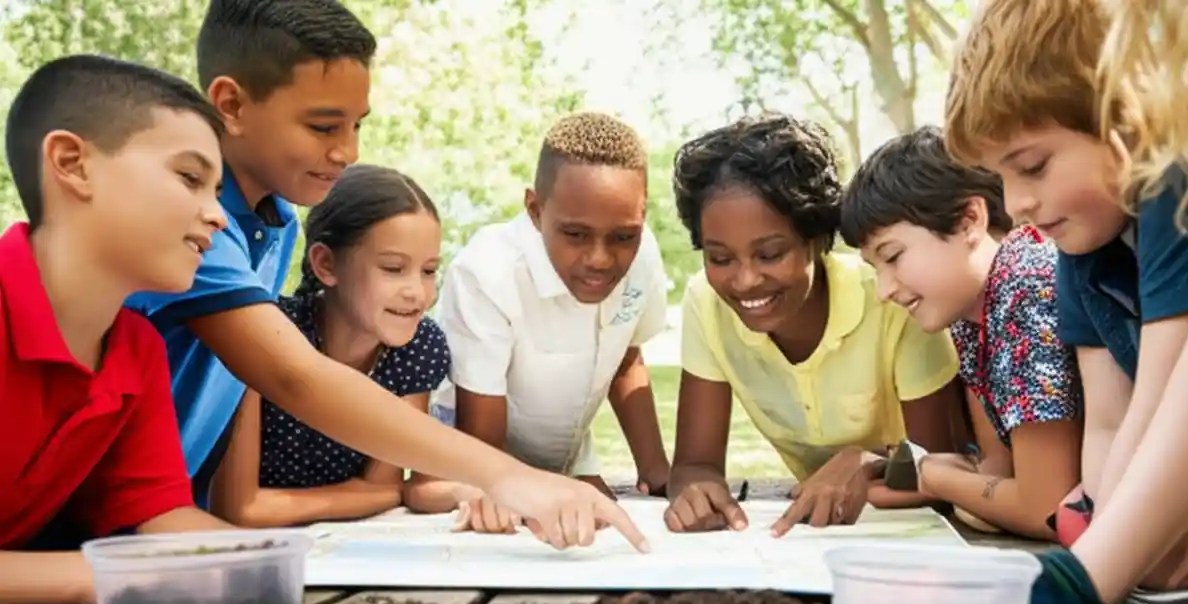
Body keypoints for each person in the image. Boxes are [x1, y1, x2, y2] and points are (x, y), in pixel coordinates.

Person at [124, 0, 646, 552]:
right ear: (232, 104)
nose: (347, 151)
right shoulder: (193, 223)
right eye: (323, 125)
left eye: (355, 126)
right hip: (122, 515)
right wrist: (510, 477)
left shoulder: (275, 221)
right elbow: (296, 378)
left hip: (166, 519)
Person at [944, 0, 1188, 604]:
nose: (1016, 205)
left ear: (1128, 113)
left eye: (1034, 166)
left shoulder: (1176, 183)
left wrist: (1101, 562)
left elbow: (1177, 378)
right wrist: (1104, 535)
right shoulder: (1081, 254)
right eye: (1002, 177)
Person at [1, 55, 234, 604]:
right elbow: (126, 567)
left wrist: (289, 564)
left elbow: (161, 517)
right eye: (190, 178)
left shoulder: (135, 349)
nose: (218, 216)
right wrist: (104, 578)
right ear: (72, 163)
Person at [664, 114, 964, 538]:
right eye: (720, 257)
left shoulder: (890, 298)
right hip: (813, 537)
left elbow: (941, 457)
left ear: (817, 238)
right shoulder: (706, 303)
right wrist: (698, 490)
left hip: (906, 533)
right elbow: (695, 465)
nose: (745, 279)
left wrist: (868, 459)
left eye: (769, 254)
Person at [426, 112, 671, 533]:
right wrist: (541, 492)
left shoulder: (643, 255)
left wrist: (660, 474)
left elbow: (626, 359)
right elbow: (483, 450)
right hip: (478, 471)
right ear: (535, 211)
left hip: (567, 464)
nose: (600, 259)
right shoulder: (487, 272)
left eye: (623, 236)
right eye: (576, 235)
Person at [842, 126, 1083, 541]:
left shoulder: (1025, 285)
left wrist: (934, 476)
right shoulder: (973, 313)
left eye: (893, 256)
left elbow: (1045, 507)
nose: (883, 291)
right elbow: (996, 469)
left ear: (970, 220)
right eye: (874, 269)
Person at [209, 164, 451, 527]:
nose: (417, 291)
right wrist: (363, 495)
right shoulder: (268, 332)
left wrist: (376, 494)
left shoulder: (419, 345)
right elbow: (240, 508)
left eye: (429, 271)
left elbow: (384, 486)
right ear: (325, 264)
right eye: (393, 268)